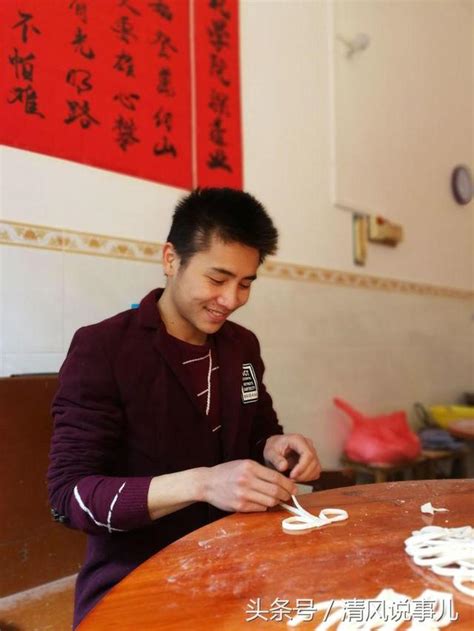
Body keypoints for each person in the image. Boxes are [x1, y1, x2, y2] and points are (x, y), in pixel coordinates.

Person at [48, 187, 321, 628]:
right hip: (136, 579)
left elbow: (257, 428)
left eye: (245, 283)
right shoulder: (104, 348)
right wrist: (203, 483)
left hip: (236, 563)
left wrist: (275, 446)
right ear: (171, 259)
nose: (231, 300)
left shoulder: (241, 346)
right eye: (217, 279)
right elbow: (69, 497)